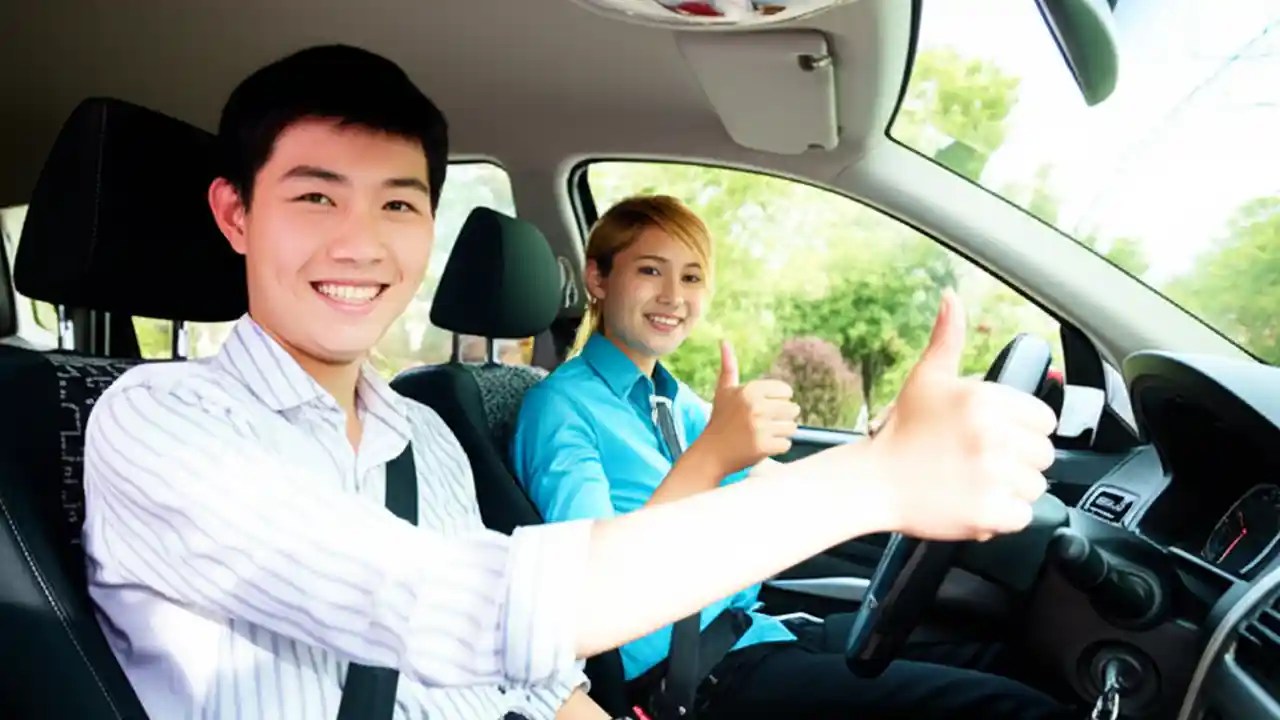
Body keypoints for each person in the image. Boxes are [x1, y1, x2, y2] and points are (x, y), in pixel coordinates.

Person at [81, 45, 1058, 720]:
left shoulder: (417, 439)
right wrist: (870, 480)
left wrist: (569, 704)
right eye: (313, 196)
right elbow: (446, 606)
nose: (360, 243)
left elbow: (522, 673)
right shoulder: (158, 421)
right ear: (235, 214)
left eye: (397, 204)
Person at [510, 195, 1071, 719]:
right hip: (689, 676)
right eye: (650, 270)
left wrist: (886, 452)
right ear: (598, 278)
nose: (674, 297)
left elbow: (780, 489)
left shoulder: (673, 399)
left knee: (1009, 662)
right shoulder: (559, 408)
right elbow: (584, 588)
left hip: (752, 632)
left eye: (692, 276)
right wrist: (711, 456)